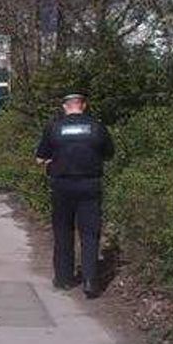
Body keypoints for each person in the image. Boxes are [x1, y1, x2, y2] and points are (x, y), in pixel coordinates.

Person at [35, 92, 115, 297]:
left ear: (65, 106)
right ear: (84, 105)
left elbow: (40, 158)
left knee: (63, 231)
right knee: (90, 233)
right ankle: (90, 280)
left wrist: (51, 161)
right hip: (90, 185)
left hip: (62, 185)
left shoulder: (54, 128)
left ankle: (63, 278)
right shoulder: (96, 127)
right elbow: (109, 154)